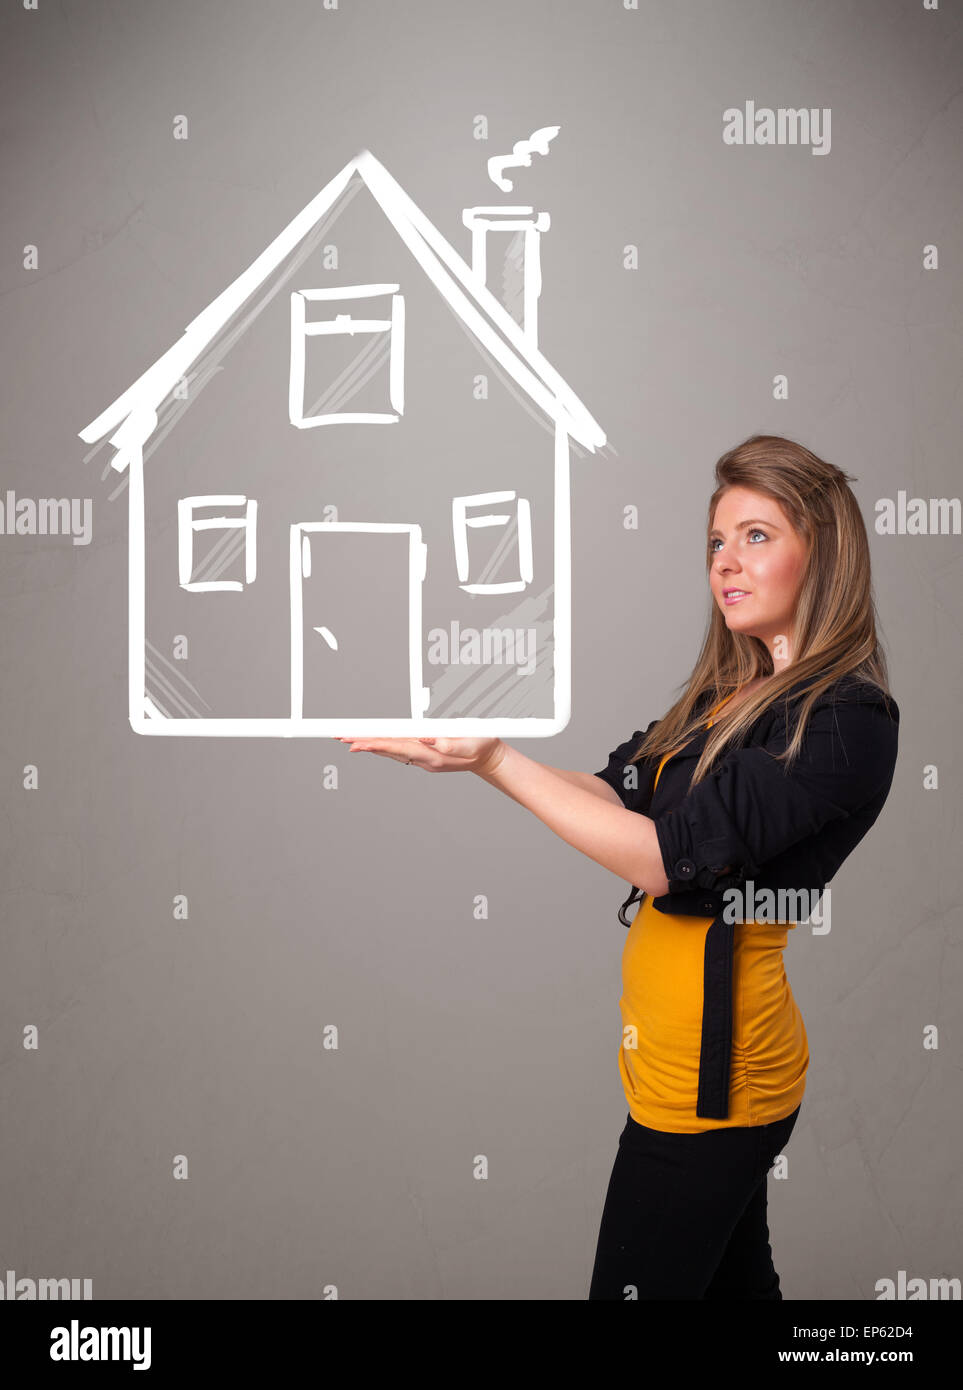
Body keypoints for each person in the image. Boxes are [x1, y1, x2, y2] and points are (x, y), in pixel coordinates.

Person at [335, 433, 900, 1300]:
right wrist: (473, 756)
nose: (726, 562)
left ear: (821, 552)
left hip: (717, 1084)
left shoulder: (845, 722)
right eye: (716, 541)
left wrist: (496, 763)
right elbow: (613, 794)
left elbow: (664, 860)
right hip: (671, 1069)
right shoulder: (723, 696)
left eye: (755, 535)